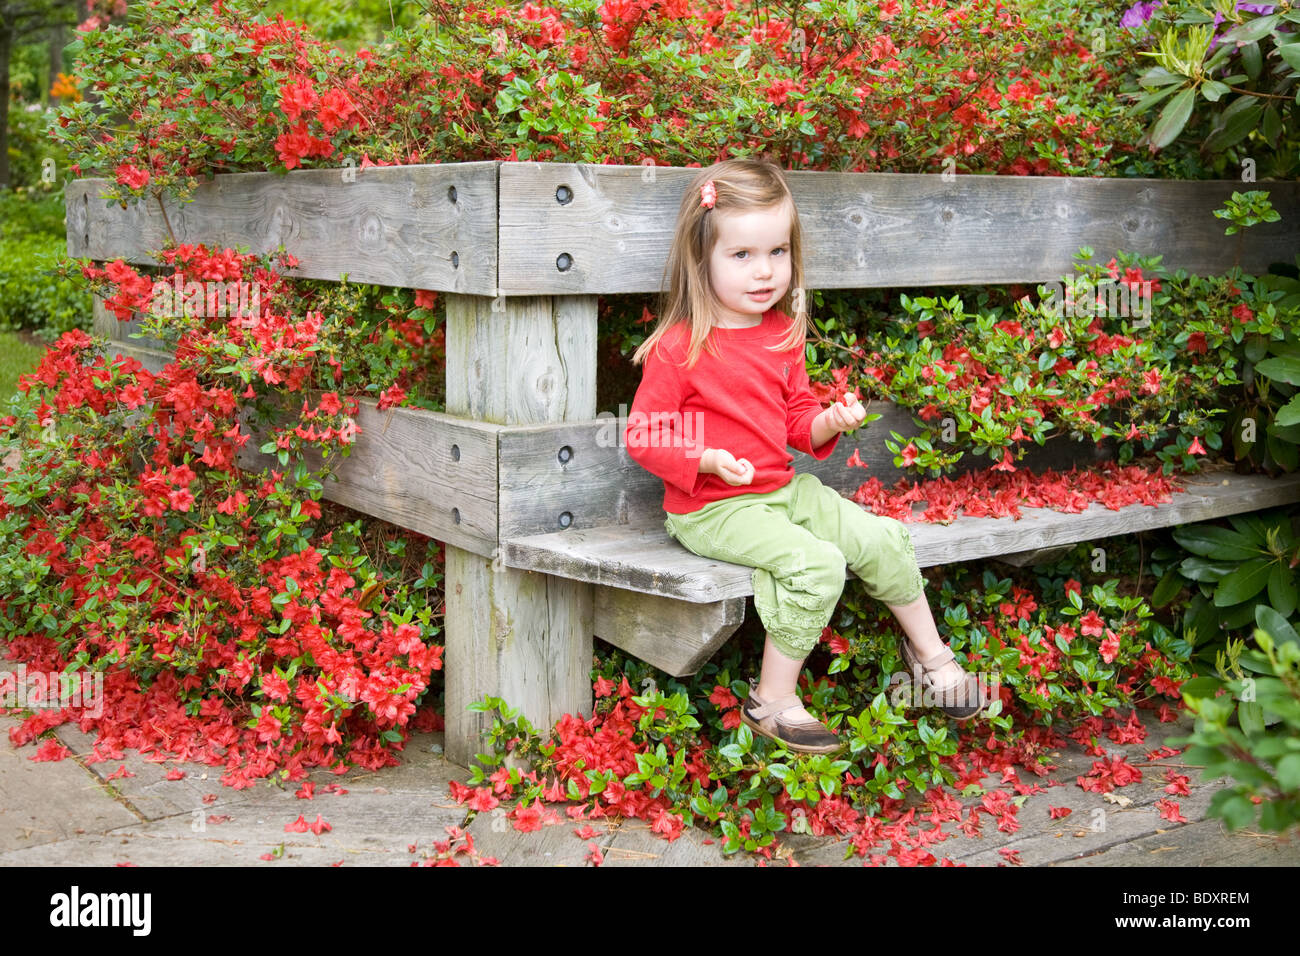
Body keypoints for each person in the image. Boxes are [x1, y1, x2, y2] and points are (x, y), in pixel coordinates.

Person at [623, 158, 989, 754]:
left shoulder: (781, 334)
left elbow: (798, 425)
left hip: (783, 493)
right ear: (702, 258)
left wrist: (830, 420)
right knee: (815, 564)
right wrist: (708, 459)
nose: (764, 271)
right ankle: (772, 702)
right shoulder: (679, 347)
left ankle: (929, 657)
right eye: (741, 255)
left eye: (777, 252)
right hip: (713, 510)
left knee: (882, 538)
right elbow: (643, 432)